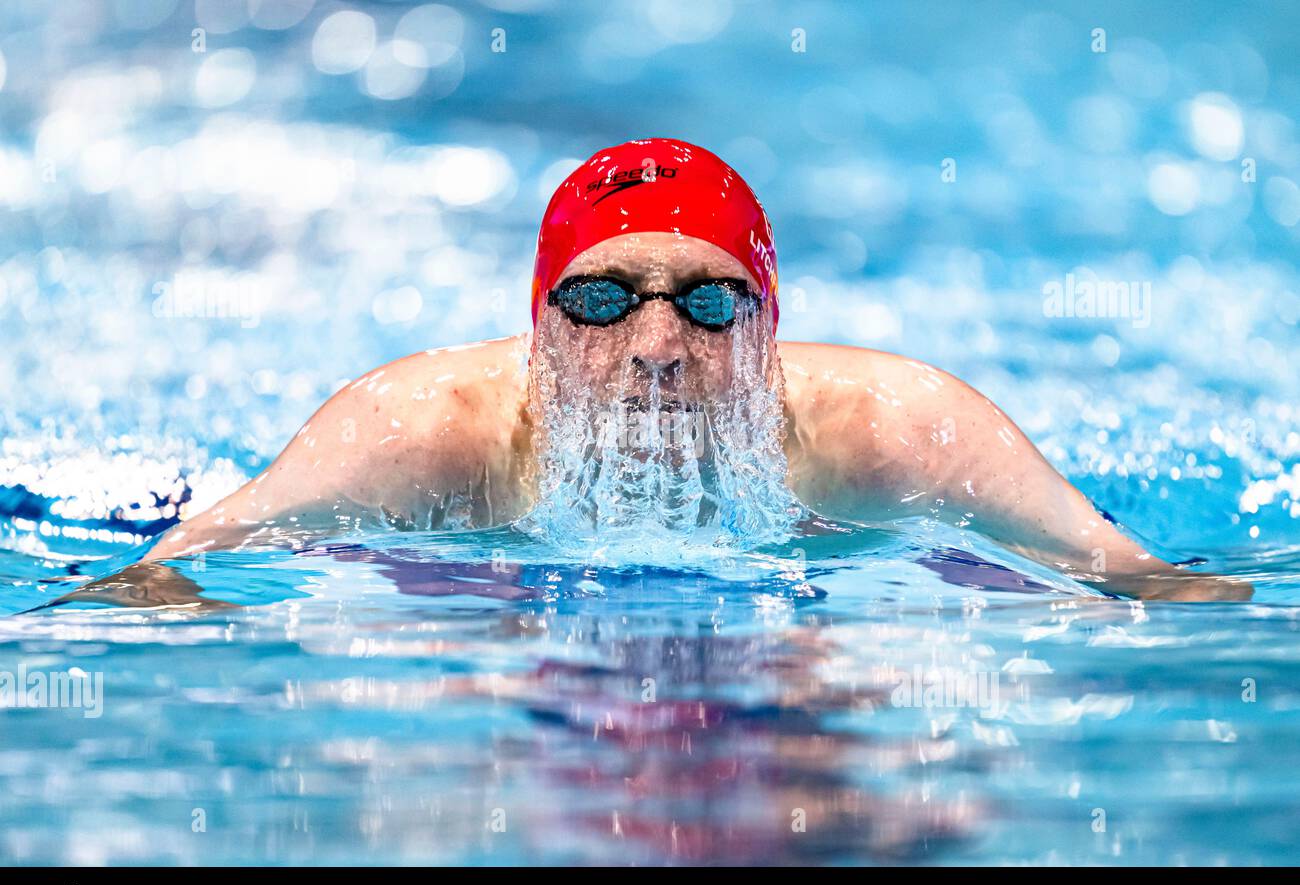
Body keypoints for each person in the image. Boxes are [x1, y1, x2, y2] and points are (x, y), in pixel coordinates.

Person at [51, 137, 1251, 608]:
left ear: (770, 328)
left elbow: (1149, 584)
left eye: (715, 301)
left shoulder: (896, 428)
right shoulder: (419, 434)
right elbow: (164, 572)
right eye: (600, 298)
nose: (659, 349)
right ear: (536, 328)